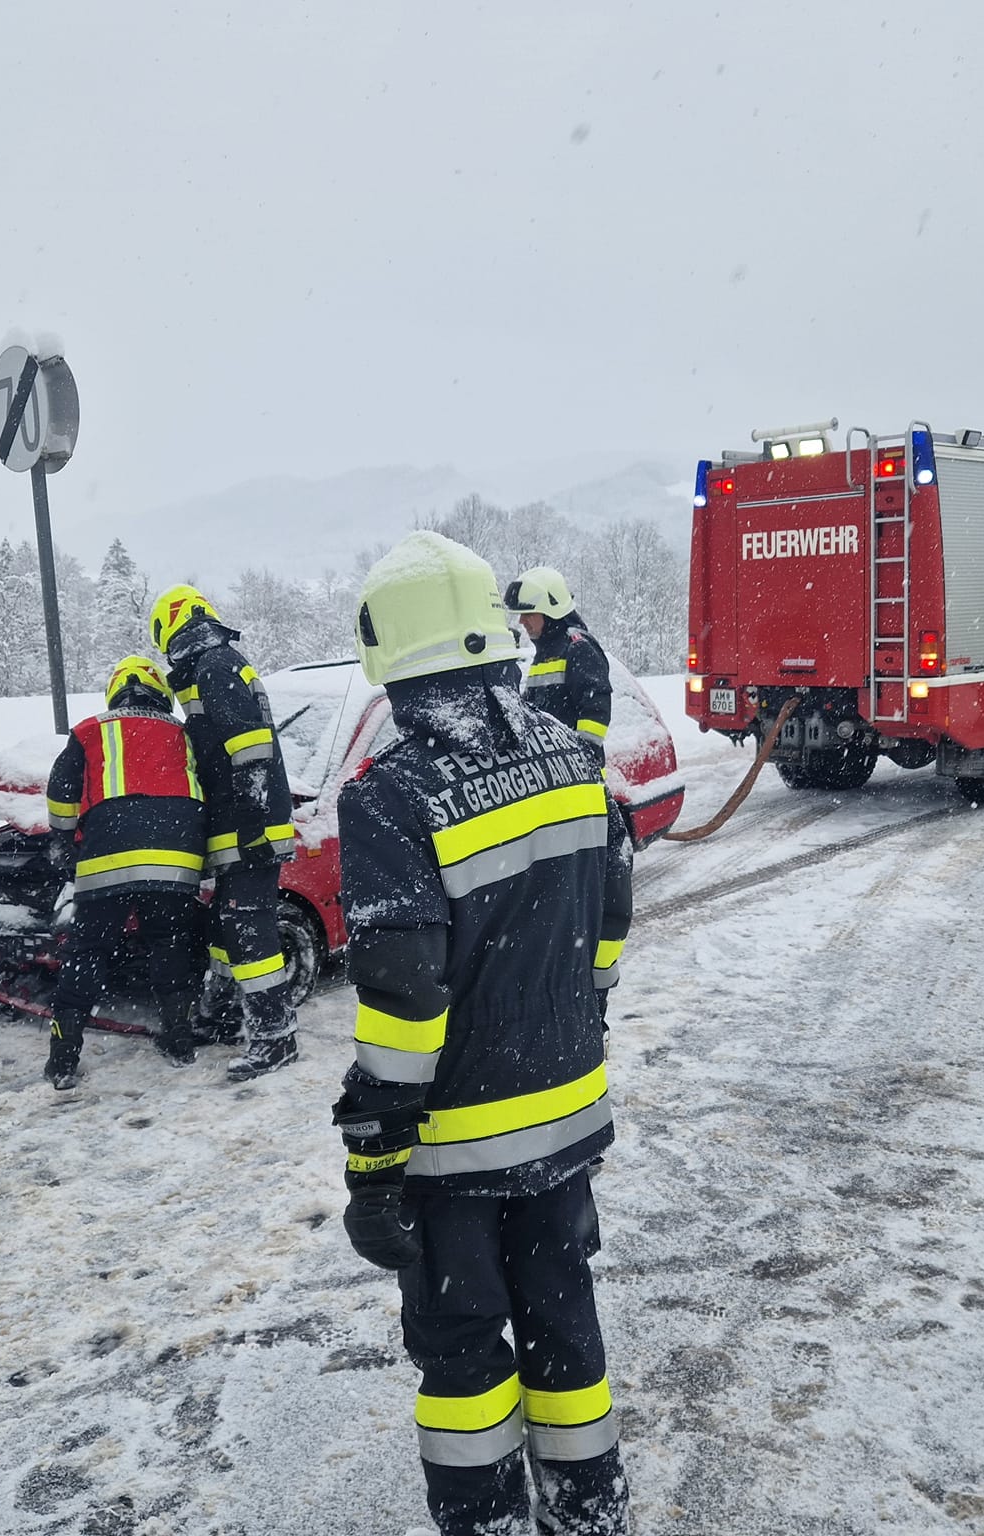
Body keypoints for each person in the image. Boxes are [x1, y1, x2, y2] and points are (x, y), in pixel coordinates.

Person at [334, 531, 634, 1536]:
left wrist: (374, 1153)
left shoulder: (388, 798)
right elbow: (611, 914)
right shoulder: (572, 755)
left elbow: (404, 1000)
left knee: (463, 1352)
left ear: (390, 660)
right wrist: (576, 1016)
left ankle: (488, 1521)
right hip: (567, 1117)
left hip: (455, 1144)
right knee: (562, 1319)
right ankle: (590, 1508)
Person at [152, 585, 301, 1082]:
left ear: (171, 629)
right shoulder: (214, 665)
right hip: (237, 825)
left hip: (248, 828)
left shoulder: (215, 665)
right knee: (226, 926)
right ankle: (222, 1015)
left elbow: (251, 745)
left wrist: (254, 818)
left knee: (249, 928)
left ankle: (275, 1037)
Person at [42, 656, 208, 1087]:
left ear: (115, 691)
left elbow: (61, 792)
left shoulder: (89, 730)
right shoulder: (184, 733)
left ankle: (63, 1055)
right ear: (160, 692)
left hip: (106, 858)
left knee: (87, 951)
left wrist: (62, 838)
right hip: (176, 859)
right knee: (170, 943)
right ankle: (178, 1037)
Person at [504, 566, 614, 762]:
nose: (521, 621)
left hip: (578, 777)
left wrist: (580, 758)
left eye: (528, 613)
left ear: (551, 611)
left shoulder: (578, 648)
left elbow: (595, 709)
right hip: (555, 771)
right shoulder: (546, 652)